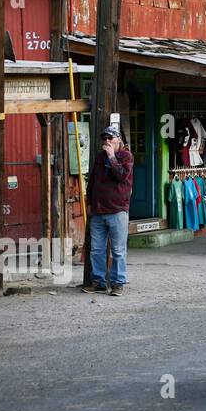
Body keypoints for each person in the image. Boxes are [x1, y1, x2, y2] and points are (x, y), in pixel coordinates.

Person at [83, 126, 134, 296]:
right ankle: (98, 282)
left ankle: (118, 283)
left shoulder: (126, 156)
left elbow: (121, 176)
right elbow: (92, 182)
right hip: (98, 210)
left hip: (118, 210)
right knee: (96, 249)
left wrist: (112, 156)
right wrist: (89, 202)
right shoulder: (99, 157)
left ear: (118, 139)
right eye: (104, 139)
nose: (106, 142)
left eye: (110, 138)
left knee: (118, 250)